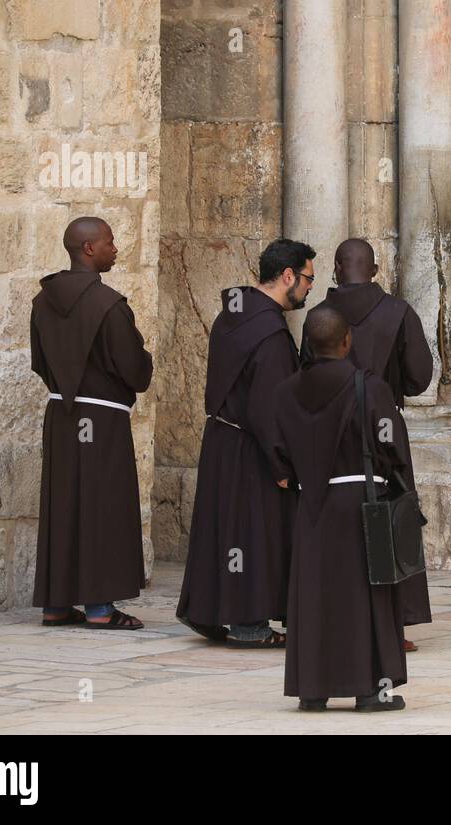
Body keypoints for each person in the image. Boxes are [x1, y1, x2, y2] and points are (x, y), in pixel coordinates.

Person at [176, 238, 315, 647]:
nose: (309, 288)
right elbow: (269, 408)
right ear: (287, 275)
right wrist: (283, 465)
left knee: (224, 527)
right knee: (254, 531)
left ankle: (208, 611)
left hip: (222, 437)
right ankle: (249, 624)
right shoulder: (270, 333)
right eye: (307, 279)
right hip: (251, 445)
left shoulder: (232, 315)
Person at [274, 305, 410, 712]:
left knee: (314, 595)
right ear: (347, 341)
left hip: (311, 504)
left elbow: (278, 453)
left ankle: (312, 690)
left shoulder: (285, 392)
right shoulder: (369, 388)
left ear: (310, 345)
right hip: (360, 502)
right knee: (365, 595)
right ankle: (370, 690)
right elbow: (393, 448)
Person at [300, 238, 434, 650]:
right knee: (393, 513)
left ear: (337, 269)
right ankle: (397, 619)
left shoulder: (318, 317)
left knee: (332, 519)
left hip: (327, 428)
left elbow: (306, 373)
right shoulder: (399, 311)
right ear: (374, 270)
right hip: (383, 423)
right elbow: (419, 377)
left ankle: (336, 617)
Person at [32, 217, 152, 630]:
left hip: (60, 416)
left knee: (63, 504)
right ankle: (100, 608)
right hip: (102, 417)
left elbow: (40, 363)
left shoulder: (41, 302)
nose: (115, 249)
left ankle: (57, 604)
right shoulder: (109, 306)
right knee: (104, 506)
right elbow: (136, 371)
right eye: (109, 242)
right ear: (88, 249)